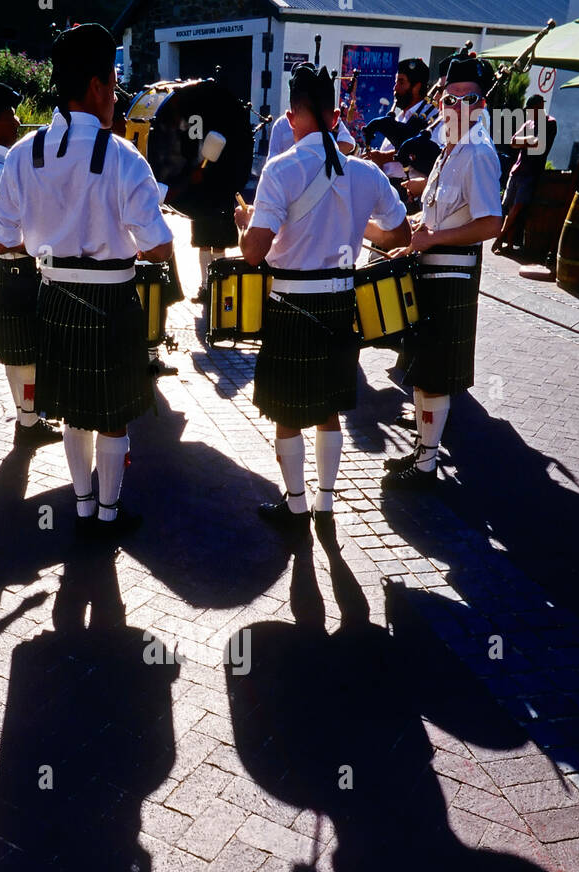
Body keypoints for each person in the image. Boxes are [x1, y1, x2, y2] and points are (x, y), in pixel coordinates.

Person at [0, 23, 173, 538]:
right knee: (112, 414)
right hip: (112, 297)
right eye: (113, 85)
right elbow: (159, 244)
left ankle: (84, 507)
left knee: (73, 411)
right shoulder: (123, 157)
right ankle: (108, 516)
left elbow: (2, 236)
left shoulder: (24, 152)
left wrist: (49, 244)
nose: (116, 97)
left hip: (56, 297)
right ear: (95, 86)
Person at [235, 63, 410, 538]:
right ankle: (326, 504)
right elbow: (401, 232)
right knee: (328, 406)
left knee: (290, 411)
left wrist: (243, 221)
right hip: (340, 302)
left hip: (292, 304)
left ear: (292, 117)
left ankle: (296, 507)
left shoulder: (280, 169)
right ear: (335, 116)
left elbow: (254, 253)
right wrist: (354, 227)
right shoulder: (365, 173)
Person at [384, 55, 502, 491]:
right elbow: (441, 213)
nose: (454, 107)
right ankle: (423, 452)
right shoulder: (450, 147)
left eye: (465, 100)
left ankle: (428, 465)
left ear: (481, 105)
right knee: (419, 369)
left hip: (452, 275)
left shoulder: (478, 152)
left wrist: (431, 239)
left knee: (433, 374)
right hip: (430, 271)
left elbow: (492, 224)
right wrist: (417, 229)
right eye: (447, 99)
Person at [0, 81, 61, 446]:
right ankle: (28, 422)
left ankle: (29, 415)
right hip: (16, 266)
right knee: (25, 353)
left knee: (25, 349)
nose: (17, 120)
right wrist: (45, 245)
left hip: (15, 269)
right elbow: (1, 238)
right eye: (9, 115)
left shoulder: (0, 162)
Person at [492, 94, 557, 255]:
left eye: (531, 109)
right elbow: (514, 141)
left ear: (540, 107)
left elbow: (539, 144)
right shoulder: (529, 123)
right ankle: (508, 243)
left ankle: (499, 238)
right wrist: (529, 140)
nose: (529, 113)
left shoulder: (550, 123)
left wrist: (526, 141)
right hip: (517, 170)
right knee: (508, 207)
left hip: (531, 172)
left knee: (517, 207)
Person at [368, 58, 437, 185]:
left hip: (408, 190)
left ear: (417, 87)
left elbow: (425, 152)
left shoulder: (432, 117)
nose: (395, 88)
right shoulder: (400, 117)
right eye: (396, 82)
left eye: (401, 82)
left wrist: (383, 157)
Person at [267, 103, 355, 159]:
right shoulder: (281, 124)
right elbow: (272, 158)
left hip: (322, 179)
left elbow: (348, 144)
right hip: (291, 181)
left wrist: (321, 157)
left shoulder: (328, 118)